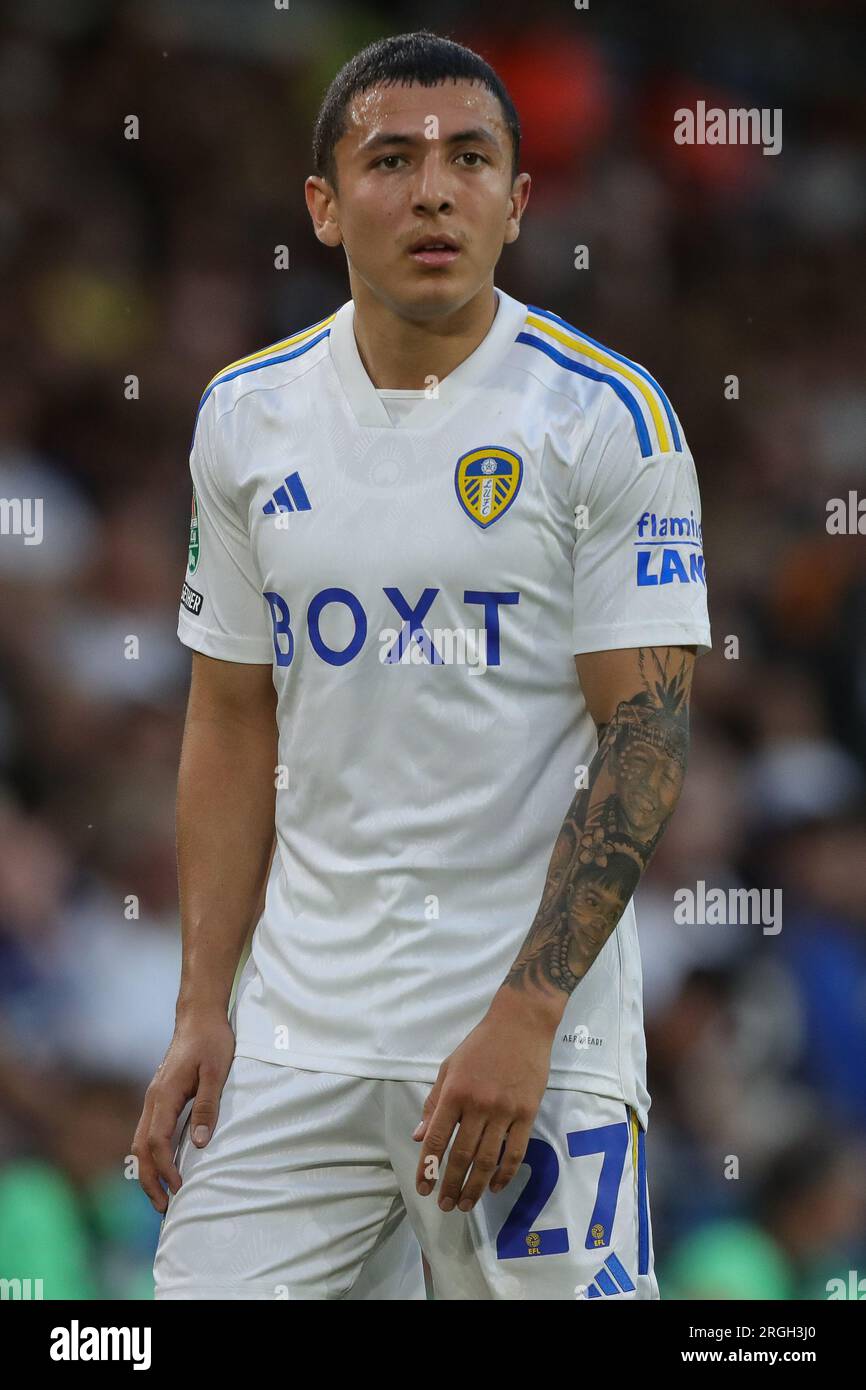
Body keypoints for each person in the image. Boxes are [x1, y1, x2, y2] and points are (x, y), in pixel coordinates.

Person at [135, 29, 711, 1300]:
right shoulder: (243, 415)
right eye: (390, 158)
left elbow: (647, 732)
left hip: (526, 1039)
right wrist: (200, 1007)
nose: (433, 189)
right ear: (324, 207)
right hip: (300, 1034)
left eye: (469, 158)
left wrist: (526, 1018)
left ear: (517, 200)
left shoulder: (603, 416)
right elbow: (230, 716)